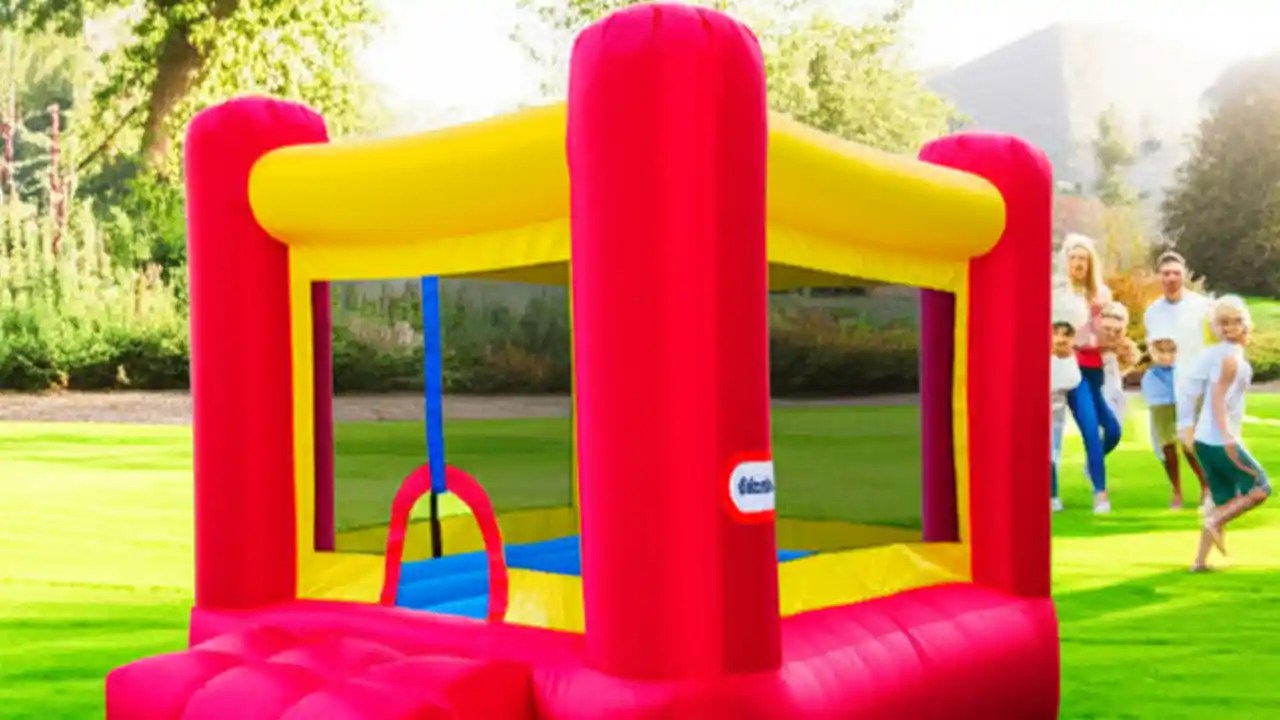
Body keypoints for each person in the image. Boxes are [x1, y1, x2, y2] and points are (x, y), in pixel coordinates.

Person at [1189, 296, 1270, 572]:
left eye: (1237, 321)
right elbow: (1217, 398)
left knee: (1221, 500)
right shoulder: (1229, 358)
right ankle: (1214, 522)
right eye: (1224, 322)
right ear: (1216, 326)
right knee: (1260, 488)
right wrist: (1227, 438)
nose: (1231, 327)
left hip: (1206, 439)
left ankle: (1200, 562)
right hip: (1219, 439)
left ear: (1246, 324)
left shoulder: (1224, 353)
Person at [1055, 233, 1122, 514]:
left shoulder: (1101, 294)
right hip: (1073, 370)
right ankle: (1100, 493)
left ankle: (1091, 465)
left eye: (1083, 258)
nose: (1078, 263)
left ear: (1091, 262)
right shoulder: (1059, 293)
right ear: (1066, 261)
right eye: (1073, 258)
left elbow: (1112, 328)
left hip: (1097, 370)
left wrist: (1117, 342)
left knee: (1114, 430)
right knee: (1091, 430)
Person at [1143, 251, 1211, 505]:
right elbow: (1151, 345)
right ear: (1159, 277)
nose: (1171, 278)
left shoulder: (1202, 306)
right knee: (1166, 440)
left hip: (1192, 379)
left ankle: (1206, 486)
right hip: (1160, 381)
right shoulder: (1153, 311)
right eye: (1166, 273)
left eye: (1176, 273)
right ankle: (1176, 491)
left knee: (1190, 438)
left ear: (1184, 275)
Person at [1143, 327, 1204, 509]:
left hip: (1185, 405)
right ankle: (1176, 490)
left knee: (1190, 446)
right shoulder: (1151, 377)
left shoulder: (1186, 371)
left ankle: (1206, 486)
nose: (1166, 357)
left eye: (1171, 351)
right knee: (1167, 447)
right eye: (1160, 351)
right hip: (1162, 405)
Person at [1051, 319, 1083, 512]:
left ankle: (1053, 496)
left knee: (1052, 454)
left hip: (1055, 415)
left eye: (1066, 335)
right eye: (1056, 334)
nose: (1060, 339)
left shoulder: (1070, 363)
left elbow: (1071, 381)